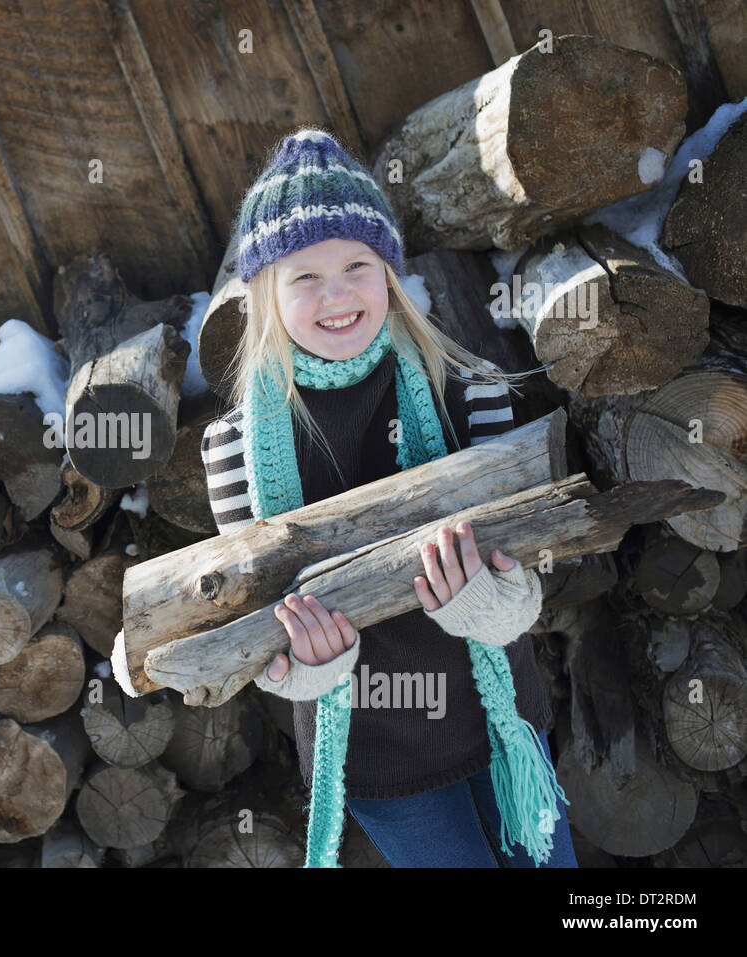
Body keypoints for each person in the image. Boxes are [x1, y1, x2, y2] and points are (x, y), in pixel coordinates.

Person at [196, 127, 577, 868]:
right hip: (376, 750)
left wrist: (495, 601)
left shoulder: (471, 395)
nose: (336, 294)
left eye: (357, 265)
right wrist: (306, 663)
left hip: (500, 720)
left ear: (390, 273)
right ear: (265, 294)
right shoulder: (235, 453)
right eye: (303, 276)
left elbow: (537, 564)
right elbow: (256, 624)